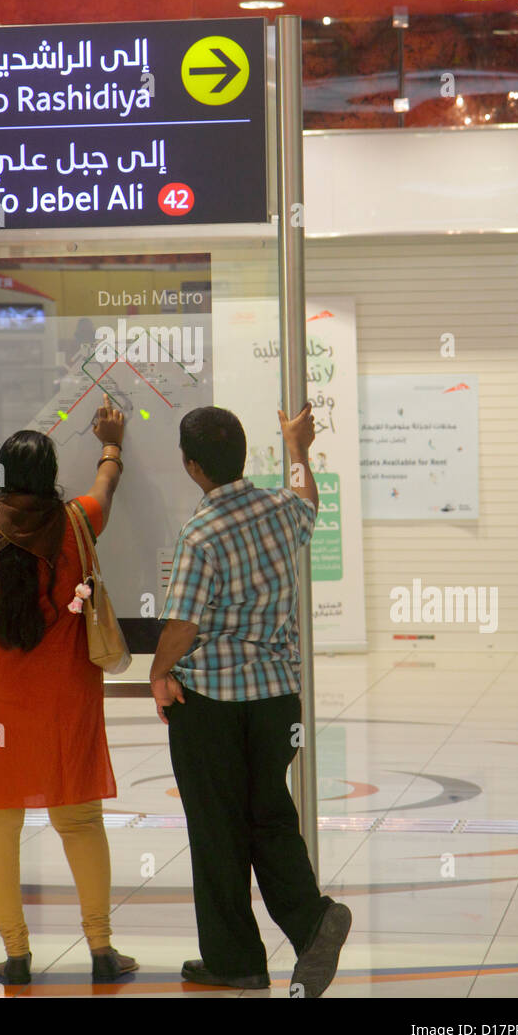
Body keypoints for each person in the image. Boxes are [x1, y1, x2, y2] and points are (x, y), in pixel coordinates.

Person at [149, 403, 351, 996]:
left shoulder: (201, 534)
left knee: (217, 828)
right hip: (277, 699)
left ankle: (236, 959)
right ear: (241, 456)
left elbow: (182, 625)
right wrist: (297, 450)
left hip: (211, 702)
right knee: (269, 814)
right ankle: (312, 920)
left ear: (191, 467)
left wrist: (158, 672)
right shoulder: (281, 509)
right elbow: (310, 503)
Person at [0, 396, 137, 985]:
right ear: (51, 477)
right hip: (62, 686)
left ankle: (16, 955)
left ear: (0, 475)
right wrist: (111, 445)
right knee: (78, 819)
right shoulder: (78, 519)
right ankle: (102, 951)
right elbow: (105, 488)